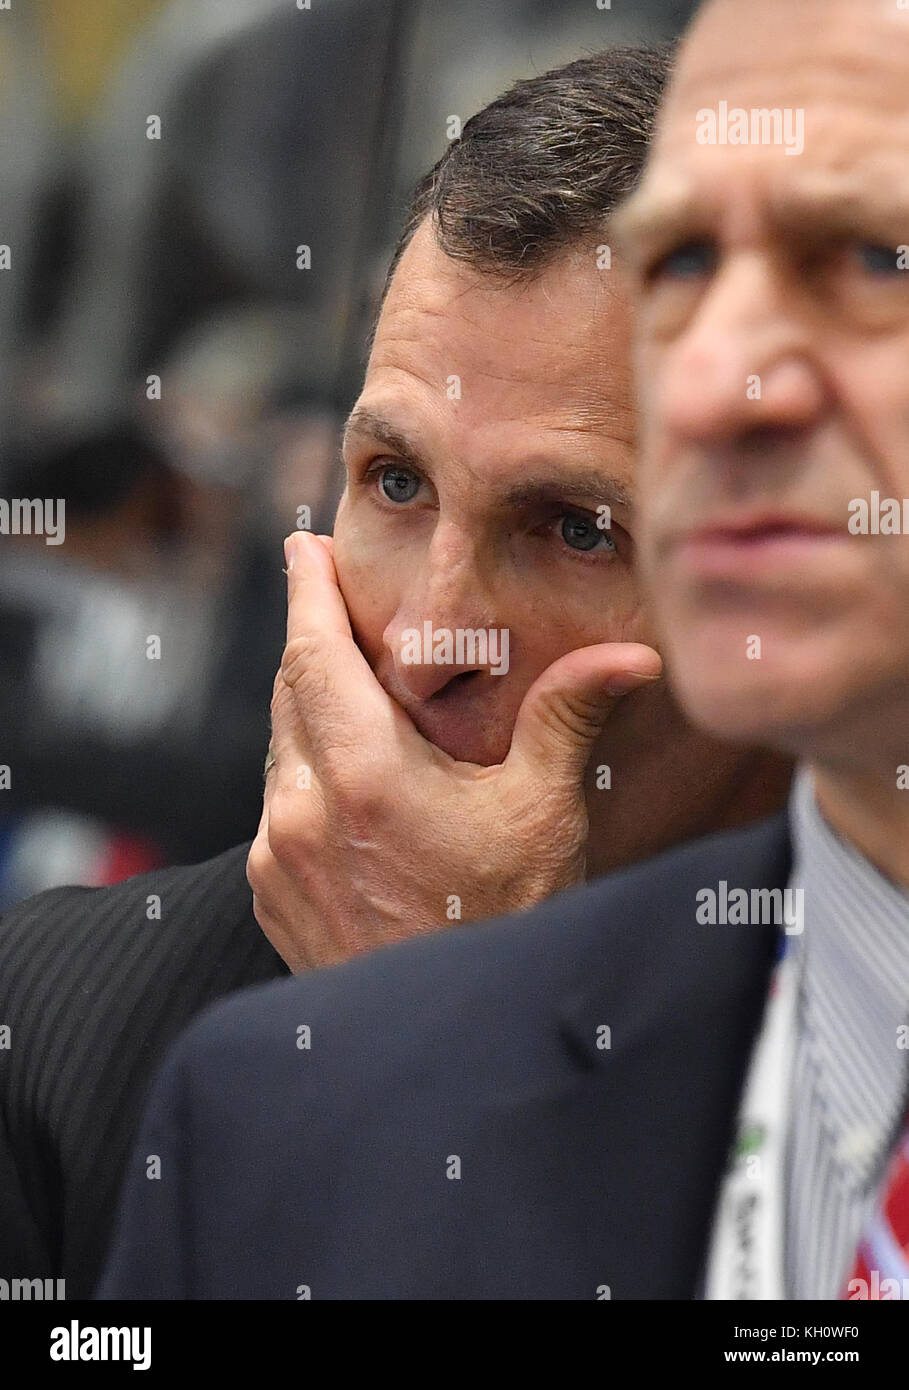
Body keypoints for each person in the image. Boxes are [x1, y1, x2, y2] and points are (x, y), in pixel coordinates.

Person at [99, 0, 909, 1301]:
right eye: (393, 484)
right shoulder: (134, 1072)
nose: (427, 641)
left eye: (576, 529)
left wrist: (434, 1048)